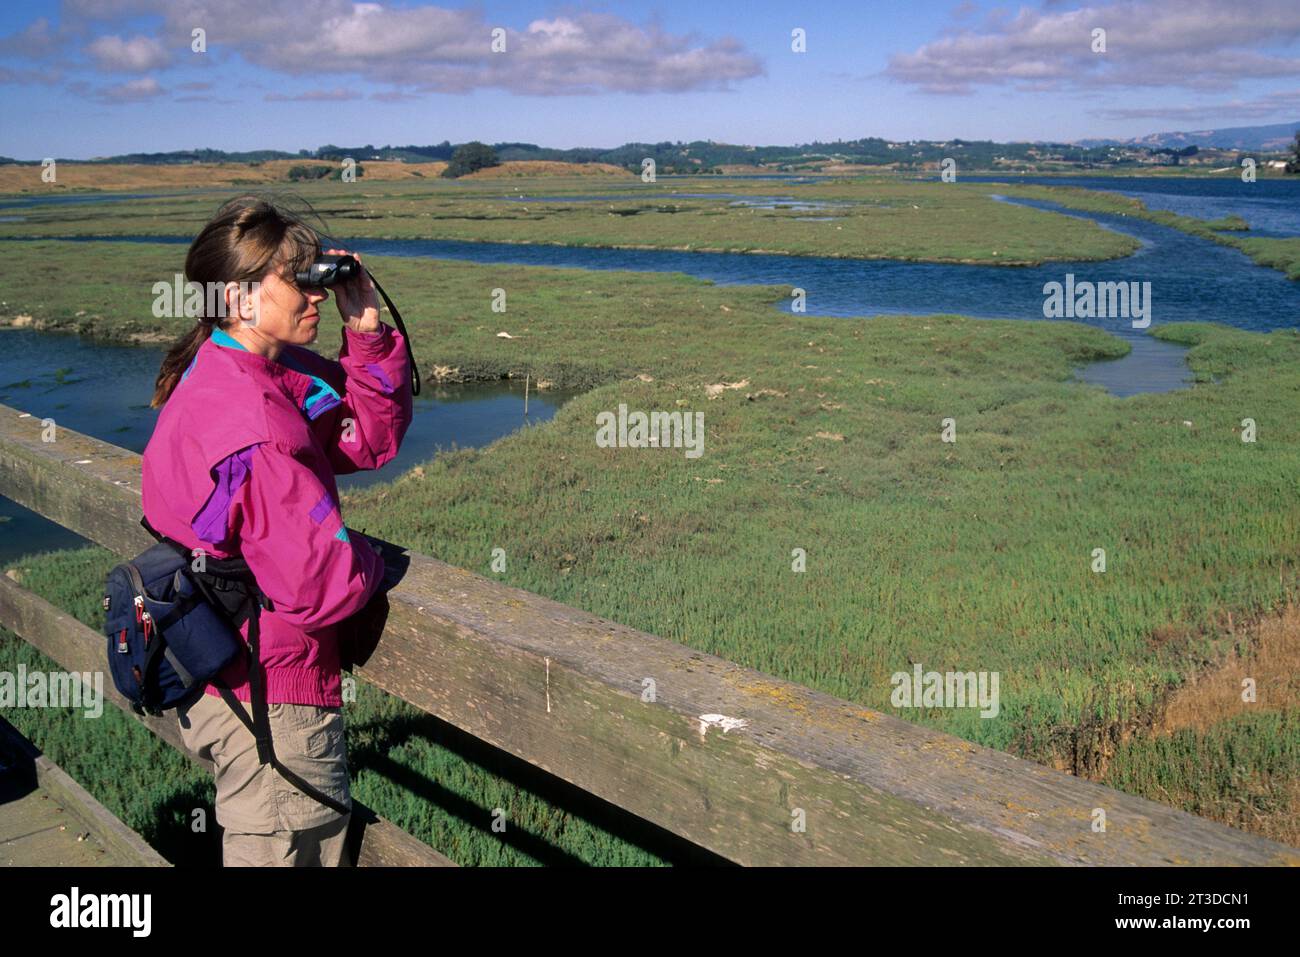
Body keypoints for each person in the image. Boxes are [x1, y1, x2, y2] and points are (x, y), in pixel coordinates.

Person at [140, 195, 413, 866]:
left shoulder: (240, 366)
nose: (315, 295)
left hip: (227, 678)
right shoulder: (253, 418)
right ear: (239, 295)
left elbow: (365, 437)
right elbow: (321, 582)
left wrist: (367, 328)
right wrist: (375, 561)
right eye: (300, 279)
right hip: (272, 702)